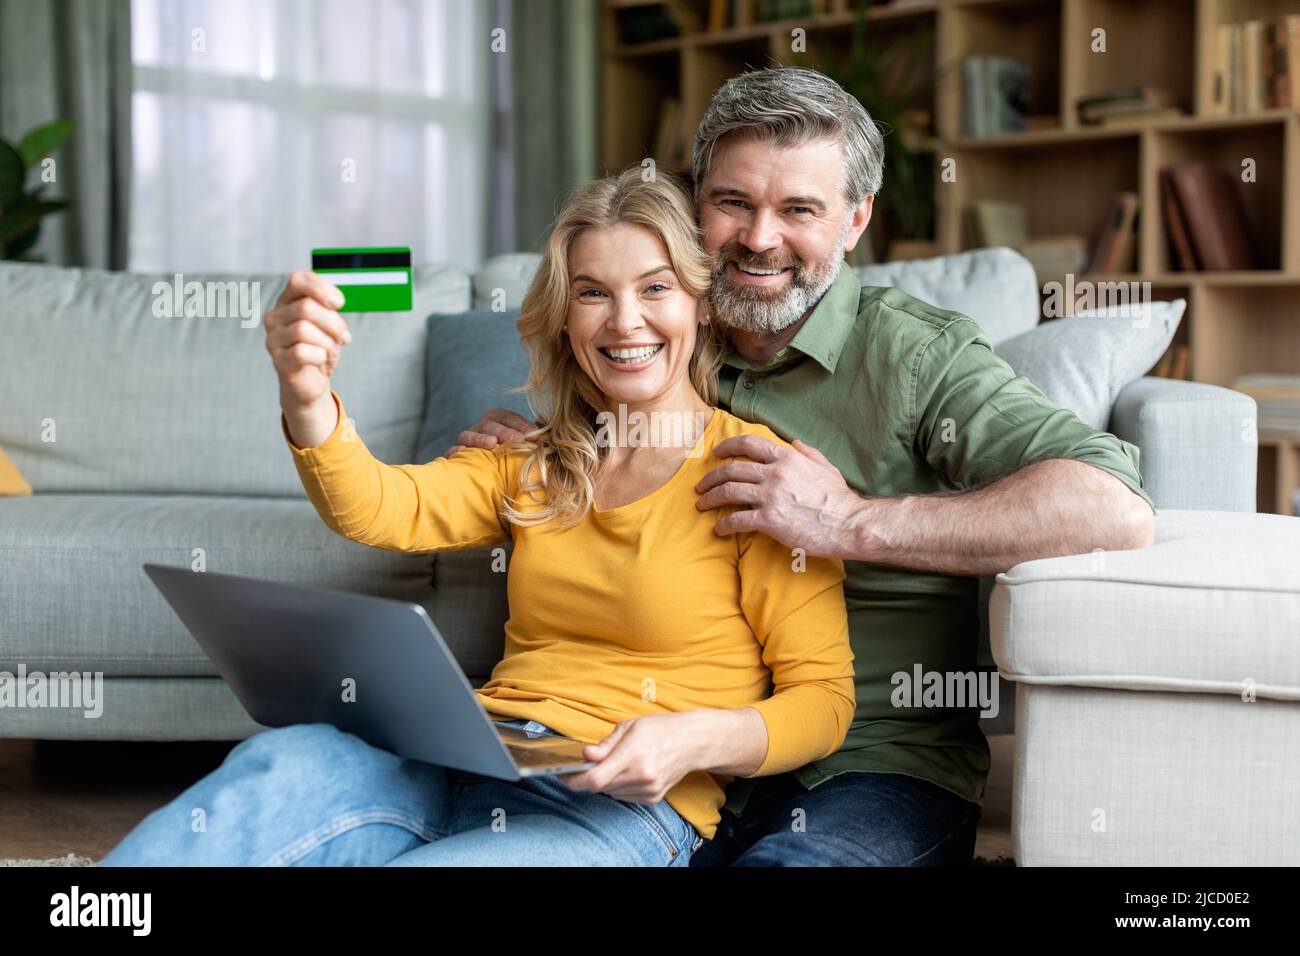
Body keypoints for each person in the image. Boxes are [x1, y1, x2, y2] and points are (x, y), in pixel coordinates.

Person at [456, 68, 1158, 867]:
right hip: (668, 770)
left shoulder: (917, 356)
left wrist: (847, 521)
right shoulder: (660, 325)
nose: (760, 238)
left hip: (865, 766)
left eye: (799, 210)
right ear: (695, 205)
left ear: (856, 219)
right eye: (733, 203)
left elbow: (1112, 506)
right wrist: (536, 448)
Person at [97, 166, 855, 868]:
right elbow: (379, 508)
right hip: (466, 756)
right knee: (286, 761)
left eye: (655, 288)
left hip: (618, 810)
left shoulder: (757, 476)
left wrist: (693, 738)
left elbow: (823, 703)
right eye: (592, 293)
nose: (624, 322)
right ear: (564, 320)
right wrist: (306, 398)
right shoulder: (535, 460)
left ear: (700, 304)